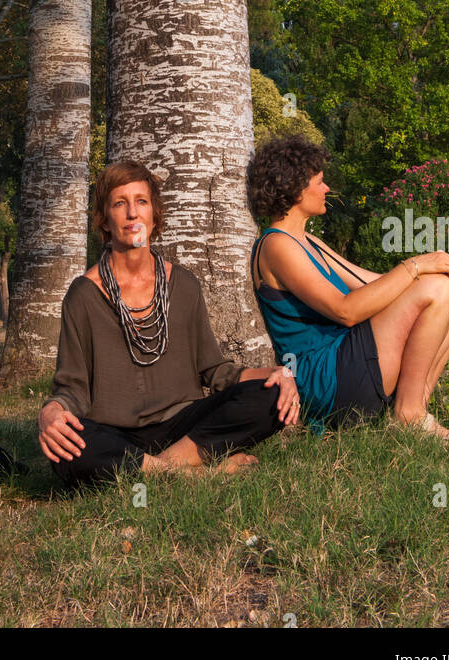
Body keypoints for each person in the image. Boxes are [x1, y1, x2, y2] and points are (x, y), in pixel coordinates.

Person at [38, 160, 299, 487]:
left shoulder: (185, 285)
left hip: (184, 429)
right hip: (114, 434)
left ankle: (150, 470)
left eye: (141, 201)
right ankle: (193, 474)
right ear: (105, 219)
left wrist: (279, 375)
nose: (132, 213)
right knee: (68, 448)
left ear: (154, 214)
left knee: (271, 397)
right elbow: (71, 391)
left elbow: (217, 372)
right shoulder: (83, 295)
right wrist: (49, 413)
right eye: (120, 203)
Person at [246, 136, 449, 443]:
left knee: (443, 290)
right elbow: (346, 310)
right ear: (295, 188)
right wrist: (417, 266)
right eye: (319, 181)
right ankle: (409, 416)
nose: (327, 189)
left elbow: (374, 283)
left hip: (345, 362)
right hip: (326, 379)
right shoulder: (277, 245)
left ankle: (416, 408)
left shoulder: (308, 242)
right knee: (434, 289)